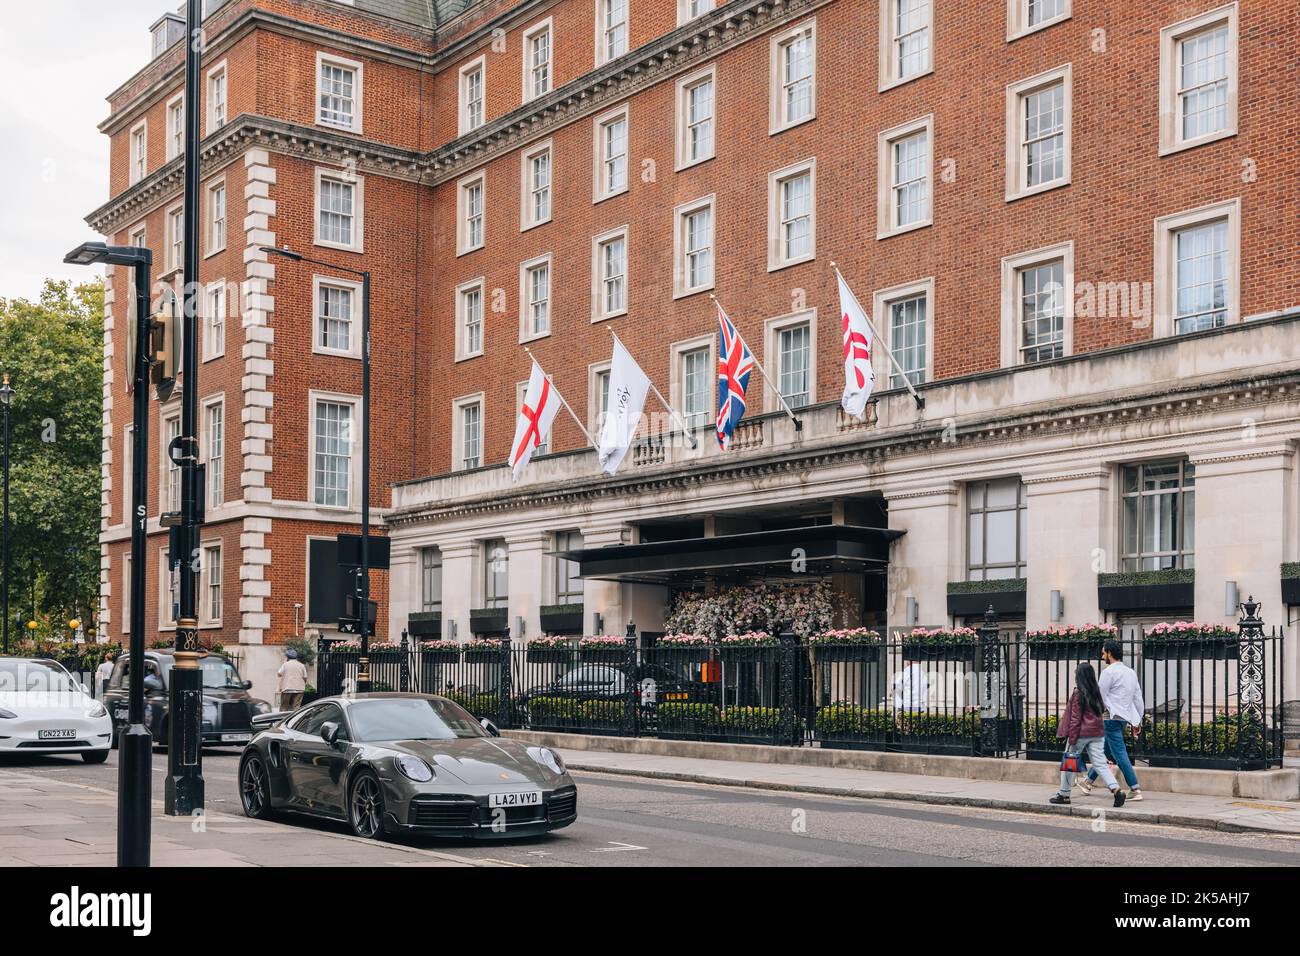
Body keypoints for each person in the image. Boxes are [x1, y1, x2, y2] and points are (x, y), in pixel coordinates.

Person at [1050, 662, 1126, 808]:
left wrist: (1072, 738)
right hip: (1097, 733)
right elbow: (1101, 710)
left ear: (1080, 676)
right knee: (1100, 764)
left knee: (1069, 764)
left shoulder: (1078, 693)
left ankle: (1064, 794)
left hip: (1081, 734)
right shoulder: (1096, 692)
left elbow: (1075, 718)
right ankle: (1116, 790)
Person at [1078, 639, 1144, 801]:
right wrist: (1137, 720)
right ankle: (1088, 781)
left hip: (1109, 718)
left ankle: (1135, 788)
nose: (1102, 656)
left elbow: (1099, 697)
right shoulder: (1131, 672)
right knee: (1105, 751)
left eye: (1103, 652)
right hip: (1123, 718)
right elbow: (1137, 698)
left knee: (1120, 754)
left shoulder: (1108, 672)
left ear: (1109, 653)